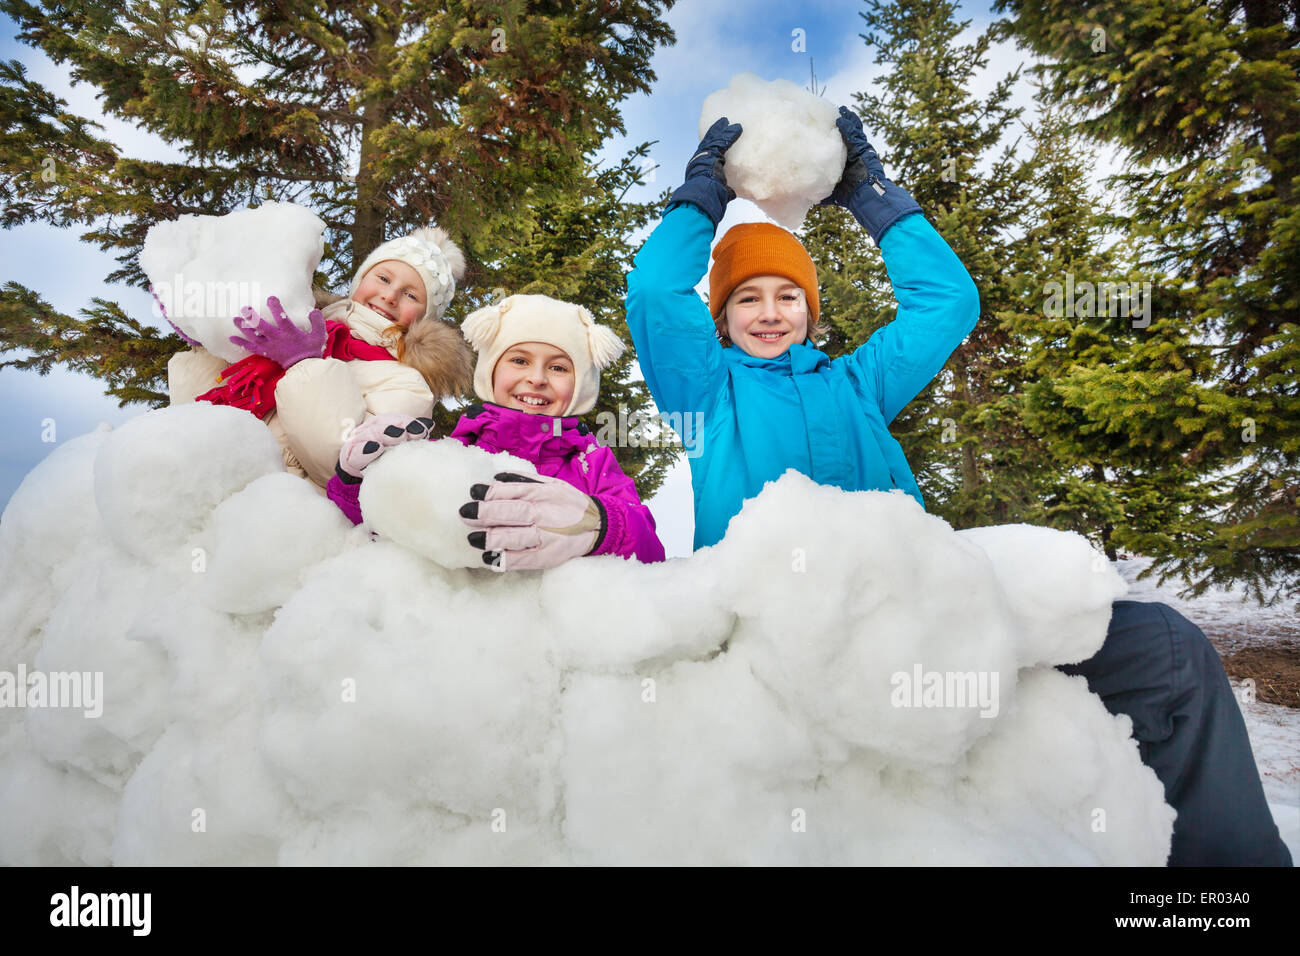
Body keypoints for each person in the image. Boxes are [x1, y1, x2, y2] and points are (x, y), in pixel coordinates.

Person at [624, 109, 1291, 866]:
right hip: (787, 645)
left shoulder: (860, 384)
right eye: (747, 298)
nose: (769, 313)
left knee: (1169, 649)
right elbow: (652, 292)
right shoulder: (706, 395)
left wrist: (875, 200)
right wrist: (701, 196)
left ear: (811, 311)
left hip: (922, 622)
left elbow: (948, 303)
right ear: (722, 317)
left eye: (787, 296)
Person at [326, 293, 666, 570]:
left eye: (559, 367)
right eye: (519, 360)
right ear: (490, 370)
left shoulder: (592, 464)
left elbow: (651, 552)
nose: (537, 378)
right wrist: (358, 482)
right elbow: (381, 536)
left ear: (581, 386)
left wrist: (603, 526)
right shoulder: (452, 450)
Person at [165, 226, 473, 488]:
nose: (390, 295)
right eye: (382, 278)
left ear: (425, 316)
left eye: (411, 295)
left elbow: (340, 467)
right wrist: (206, 344)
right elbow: (198, 413)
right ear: (360, 280)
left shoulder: (408, 384)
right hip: (214, 487)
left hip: (294, 523)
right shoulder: (294, 325)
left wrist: (303, 364)